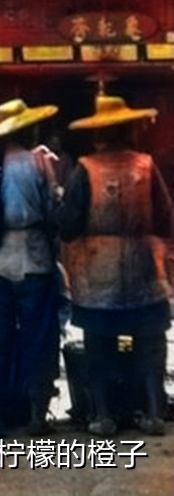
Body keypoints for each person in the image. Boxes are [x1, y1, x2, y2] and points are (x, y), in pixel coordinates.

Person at [59, 94, 172, 436]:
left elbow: (69, 225)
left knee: (100, 347)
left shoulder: (84, 169)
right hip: (145, 270)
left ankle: (103, 416)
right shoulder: (146, 165)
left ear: (98, 134)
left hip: (97, 274)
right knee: (151, 345)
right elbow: (166, 216)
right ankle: (153, 413)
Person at [0, 98, 62, 436]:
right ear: (28, 128)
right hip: (34, 259)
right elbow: (52, 208)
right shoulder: (39, 162)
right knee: (39, 337)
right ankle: (37, 415)